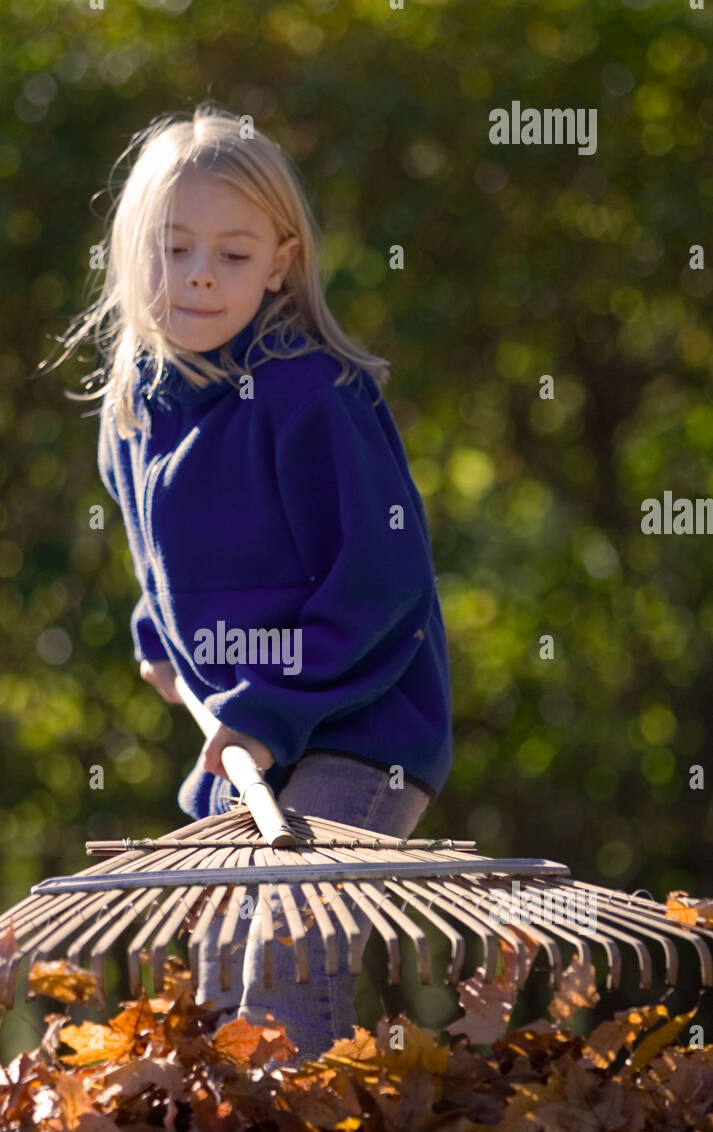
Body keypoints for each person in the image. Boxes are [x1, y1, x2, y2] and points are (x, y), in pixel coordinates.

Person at [39, 102, 454, 1063]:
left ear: (280, 262)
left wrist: (270, 708)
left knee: (287, 957)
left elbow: (383, 583)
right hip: (247, 734)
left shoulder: (312, 394)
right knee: (223, 972)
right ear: (129, 253)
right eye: (173, 248)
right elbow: (162, 560)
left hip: (360, 726)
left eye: (232, 256)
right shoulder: (134, 406)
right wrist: (158, 640)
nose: (197, 275)